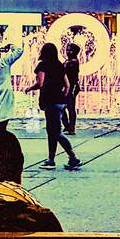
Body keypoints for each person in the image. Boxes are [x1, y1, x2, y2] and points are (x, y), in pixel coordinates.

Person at [22, 42, 81, 170]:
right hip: (60, 101)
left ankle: (71, 157)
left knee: (55, 132)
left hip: (50, 101)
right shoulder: (59, 65)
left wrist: (29, 88)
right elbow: (67, 85)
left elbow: (40, 83)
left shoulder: (43, 65)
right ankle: (52, 159)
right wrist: (63, 96)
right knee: (52, 131)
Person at [63, 41, 81, 136]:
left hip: (72, 87)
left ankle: (71, 127)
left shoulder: (73, 62)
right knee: (62, 107)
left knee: (70, 107)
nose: (67, 52)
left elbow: (71, 77)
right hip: (66, 87)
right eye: (67, 50)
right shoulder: (67, 61)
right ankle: (67, 126)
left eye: (70, 50)